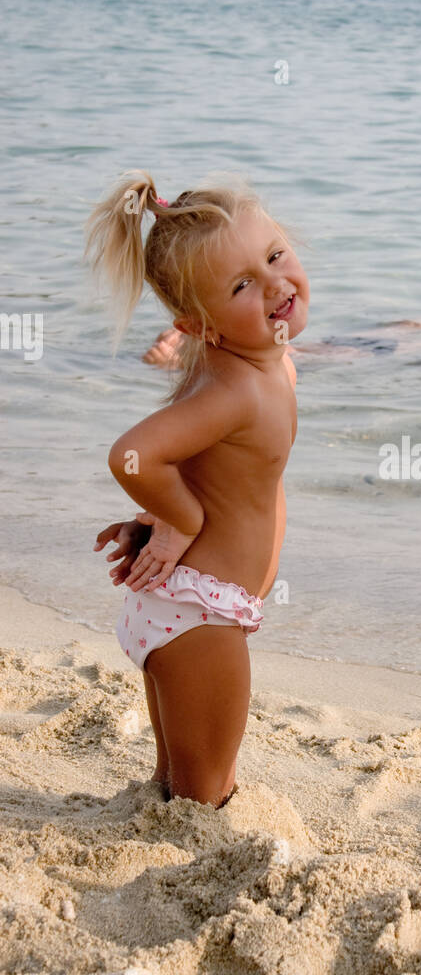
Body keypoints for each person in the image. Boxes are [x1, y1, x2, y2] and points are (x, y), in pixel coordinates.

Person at [86, 173, 307, 807]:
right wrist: (179, 521)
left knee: (176, 786)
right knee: (206, 797)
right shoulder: (238, 388)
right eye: (242, 286)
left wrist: (156, 517)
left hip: (188, 609)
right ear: (199, 324)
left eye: (274, 257)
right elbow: (130, 454)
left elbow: (216, 469)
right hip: (199, 618)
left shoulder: (269, 362)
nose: (275, 285)